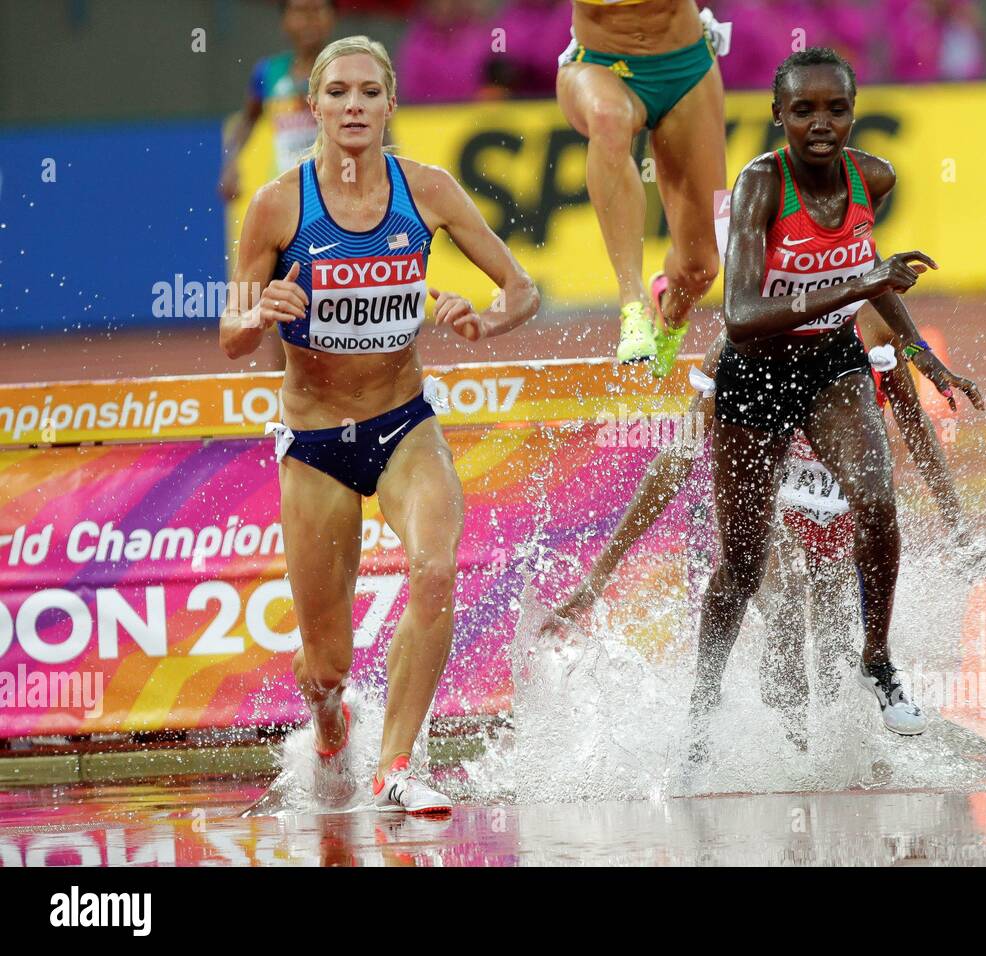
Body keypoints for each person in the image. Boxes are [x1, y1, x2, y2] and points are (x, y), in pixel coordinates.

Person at [218, 36, 540, 813]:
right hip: (317, 448)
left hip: (405, 429)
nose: (354, 106)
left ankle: (396, 765)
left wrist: (485, 320)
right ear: (315, 107)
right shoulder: (276, 204)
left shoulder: (426, 190)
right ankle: (332, 725)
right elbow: (230, 335)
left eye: (370, 93)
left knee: (435, 568)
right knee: (326, 665)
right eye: (339, 94)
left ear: (391, 105)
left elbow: (521, 289)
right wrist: (261, 309)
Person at [690, 47, 982, 757]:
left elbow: (869, 271)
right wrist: (858, 285)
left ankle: (878, 663)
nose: (821, 124)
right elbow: (743, 315)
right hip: (754, 374)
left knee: (876, 498)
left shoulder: (870, 177)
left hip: (831, 364)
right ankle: (702, 698)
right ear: (778, 116)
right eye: (804, 110)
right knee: (744, 562)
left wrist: (923, 356)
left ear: (854, 110)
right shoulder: (762, 184)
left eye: (836, 109)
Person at [543, 313, 966, 749]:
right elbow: (677, 459)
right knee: (783, 617)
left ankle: (839, 762)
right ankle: (775, 749)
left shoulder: (871, 325)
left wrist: (957, 524)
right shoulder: (740, 341)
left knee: (836, 646)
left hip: (841, 507)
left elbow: (915, 425)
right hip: (778, 502)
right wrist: (598, 577)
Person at [558, 0, 728, 374]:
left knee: (701, 267)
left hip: (685, 69)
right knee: (607, 117)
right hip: (597, 66)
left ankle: (669, 309)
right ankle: (631, 302)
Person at [217, 0, 336, 201]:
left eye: (316, 10)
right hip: (285, 196)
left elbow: (381, 129)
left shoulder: (347, 69)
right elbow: (247, 120)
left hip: (336, 192)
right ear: (284, 21)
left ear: (332, 17)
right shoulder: (268, 72)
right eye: (299, 11)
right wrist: (231, 164)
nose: (309, 20)